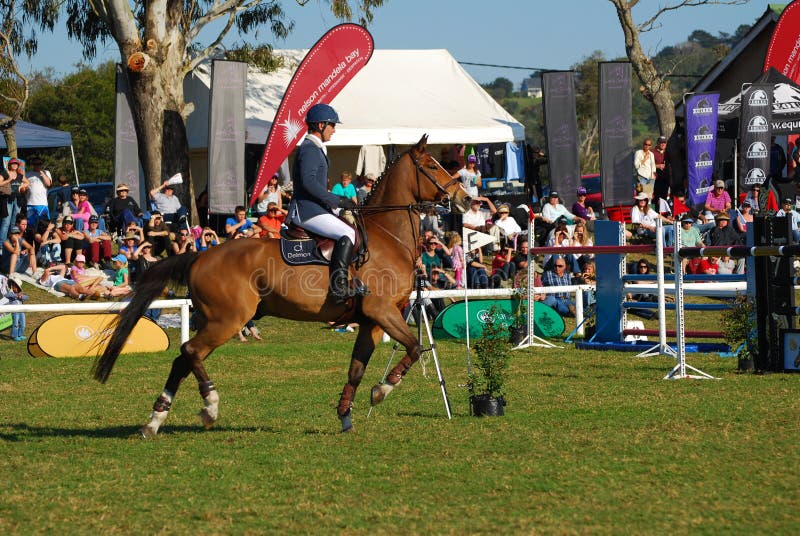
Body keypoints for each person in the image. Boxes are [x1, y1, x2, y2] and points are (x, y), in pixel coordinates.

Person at [287, 103, 366, 303]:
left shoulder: (316, 148)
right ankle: (338, 287)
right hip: (307, 211)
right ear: (320, 125)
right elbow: (309, 183)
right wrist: (337, 199)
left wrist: (337, 206)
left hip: (316, 208)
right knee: (348, 233)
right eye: (332, 125)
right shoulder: (310, 149)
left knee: (350, 227)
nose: (334, 129)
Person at [0, 158, 29, 244]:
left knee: (14, 222)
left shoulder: (20, 175)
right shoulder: (5, 173)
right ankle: (2, 244)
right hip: (7, 199)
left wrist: (21, 186)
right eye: (13, 164)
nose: (15, 165)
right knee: (6, 222)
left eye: (16, 164)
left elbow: (28, 182)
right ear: (9, 165)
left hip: (18, 200)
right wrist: (9, 180)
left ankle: (11, 241)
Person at [25, 156, 51, 228]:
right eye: (35, 164)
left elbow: (48, 184)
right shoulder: (27, 174)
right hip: (30, 204)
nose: (37, 165)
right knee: (31, 224)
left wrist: (42, 173)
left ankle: (45, 238)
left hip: (42, 204)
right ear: (33, 164)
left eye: (39, 163)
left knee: (44, 224)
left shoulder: (46, 172)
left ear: (41, 164)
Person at [1, 274, 27, 340]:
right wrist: (16, 296)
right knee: (15, 323)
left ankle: (20, 335)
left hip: (21, 311)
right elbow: (6, 295)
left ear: (18, 287)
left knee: (23, 323)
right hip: (15, 311)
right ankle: (14, 336)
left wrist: (21, 297)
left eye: (15, 286)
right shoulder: (11, 293)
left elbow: (26, 297)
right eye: (13, 286)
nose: (13, 288)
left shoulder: (20, 293)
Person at [653, 135, 670, 204]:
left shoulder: (668, 152)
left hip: (666, 179)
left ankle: (664, 214)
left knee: (664, 198)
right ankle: (655, 214)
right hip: (656, 180)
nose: (663, 144)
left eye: (664, 142)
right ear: (657, 143)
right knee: (656, 198)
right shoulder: (652, 152)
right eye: (661, 142)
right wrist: (657, 166)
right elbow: (647, 165)